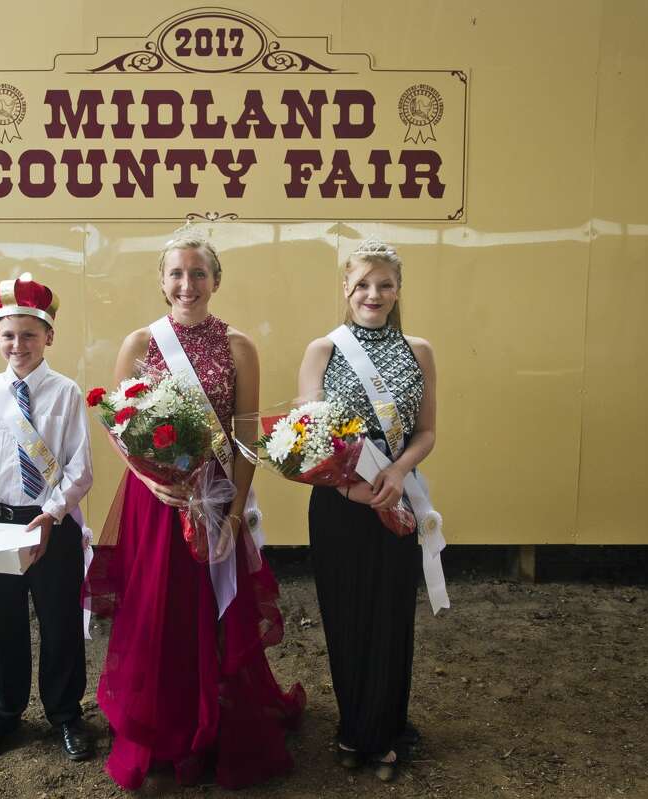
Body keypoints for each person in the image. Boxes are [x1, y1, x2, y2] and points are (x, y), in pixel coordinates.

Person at [85, 233, 305, 790]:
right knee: (159, 609)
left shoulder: (239, 346)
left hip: (213, 497)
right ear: (162, 282)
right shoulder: (140, 343)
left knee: (212, 610)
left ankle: (215, 722)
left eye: (199, 273)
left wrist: (233, 512)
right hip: (157, 502)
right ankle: (163, 724)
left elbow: (247, 437)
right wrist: (148, 480)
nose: (188, 285)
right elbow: (118, 425)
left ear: (216, 280)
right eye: (177, 274)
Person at [296, 240, 437, 782]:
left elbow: (426, 432)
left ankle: (385, 731)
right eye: (362, 284)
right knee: (347, 614)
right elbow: (307, 438)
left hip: (396, 498)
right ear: (346, 288)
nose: (372, 294)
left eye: (384, 284)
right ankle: (355, 728)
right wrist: (349, 490)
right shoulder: (323, 350)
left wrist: (398, 473)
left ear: (398, 290)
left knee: (392, 615)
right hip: (338, 504)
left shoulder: (419, 350)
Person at [0, 273, 95, 764]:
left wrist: (53, 513)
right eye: (9, 335)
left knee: (60, 624)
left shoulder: (66, 392)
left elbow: (80, 467)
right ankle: (0, 716)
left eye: (30, 335)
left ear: (49, 336)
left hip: (53, 524)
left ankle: (66, 714)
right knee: (3, 625)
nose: (19, 345)